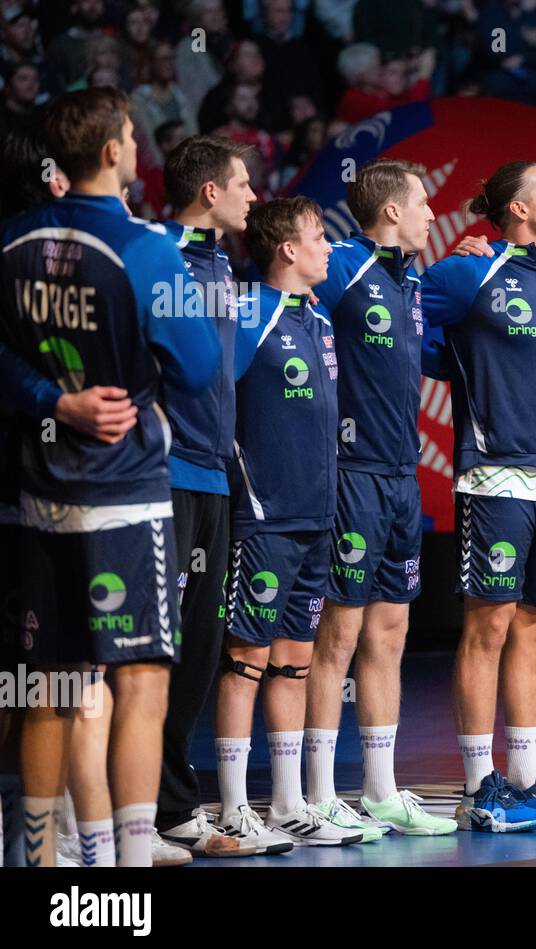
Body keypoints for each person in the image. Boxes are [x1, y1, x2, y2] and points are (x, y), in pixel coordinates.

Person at [0, 87, 220, 865]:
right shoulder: (147, 249)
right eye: (131, 134)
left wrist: (53, 399)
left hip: (33, 498)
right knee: (140, 679)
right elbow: (198, 369)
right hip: (122, 495)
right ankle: (126, 862)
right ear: (112, 153)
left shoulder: (13, 238)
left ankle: (40, 859)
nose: (137, 146)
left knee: (50, 685)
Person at [419, 161, 536, 832]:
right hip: (497, 475)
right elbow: (397, 322)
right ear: (518, 211)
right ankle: (480, 787)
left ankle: (532, 775)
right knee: (489, 627)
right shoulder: (472, 271)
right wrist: (462, 364)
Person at [302, 159, 455, 839]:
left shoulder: (412, 278)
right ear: (391, 211)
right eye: (422, 204)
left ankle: (381, 791)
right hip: (351, 473)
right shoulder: (341, 264)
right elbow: (282, 288)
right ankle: (313, 791)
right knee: (336, 636)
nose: (431, 215)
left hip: (401, 477)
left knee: (389, 634)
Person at [214, 196, 359, 849]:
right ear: (287, 250)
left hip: (316, 516)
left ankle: (290, 802)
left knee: (295, 663)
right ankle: (233, 807)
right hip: (265, 517)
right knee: (247, 658)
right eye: (319, 237)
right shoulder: (247, 313)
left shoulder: (321, 319)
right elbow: (214, 400)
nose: (329, 248)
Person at [153, 136, 261, 857]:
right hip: (163, 478)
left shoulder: (225, 263)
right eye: (244, 184)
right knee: (150, 653)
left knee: (198, 651)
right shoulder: (157, 255)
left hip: (216, 477)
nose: (254, 195)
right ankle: (123, 812)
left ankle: (175, 809)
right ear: (211, 193)